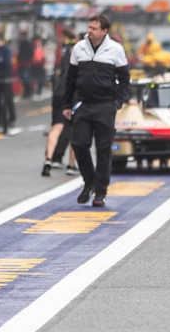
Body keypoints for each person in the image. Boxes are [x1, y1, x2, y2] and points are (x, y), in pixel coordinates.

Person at [62, 15, 131, 207]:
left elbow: (125, 79)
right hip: (84, 104)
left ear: (104, 31)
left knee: (103, 150)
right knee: (79, 143)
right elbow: (70, 79)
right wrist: (66, 105)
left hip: (106, 105)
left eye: (94, 28)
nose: (89, 31)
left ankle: (100, 192)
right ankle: (89, 181)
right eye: (89, 27)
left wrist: (118, 101)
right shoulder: (79, 48)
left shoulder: (115, 49)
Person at [42, 28, 78, 177]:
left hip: (58, 93)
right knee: (75, 129)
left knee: (56, 127)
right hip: (72, 94)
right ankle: (71, 165)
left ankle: (48, 160)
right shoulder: (77, 51)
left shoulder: (62, 51)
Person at [17, 28, 34, 98]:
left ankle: (28, 93)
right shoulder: (21, 43)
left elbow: (31, 53)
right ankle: (26, 93)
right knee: (23, 79)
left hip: (26, 64)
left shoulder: (27, 43)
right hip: (22, 64)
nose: (21, 36)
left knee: (26, 79)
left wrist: (25, 59)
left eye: (23, 35)